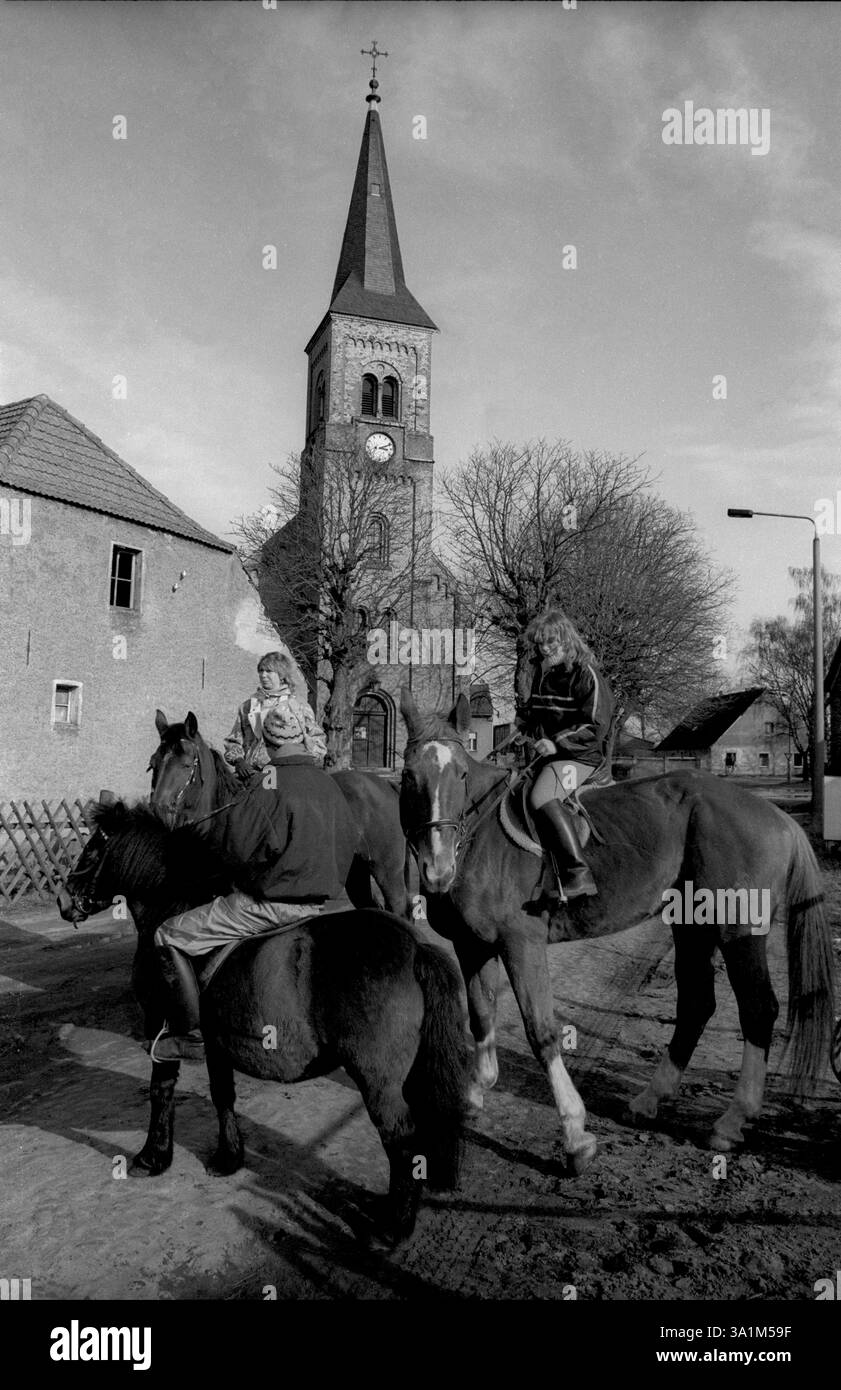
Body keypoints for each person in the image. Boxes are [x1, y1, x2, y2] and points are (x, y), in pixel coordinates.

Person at [149, 701, 355, 1061]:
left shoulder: (267, 785)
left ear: (267, 743)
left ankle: (190, 1035)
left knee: (167, 935)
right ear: (304, 739)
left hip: (268, 907)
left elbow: (237, 853)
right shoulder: (329, 784)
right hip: (322, 906)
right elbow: (348, 844)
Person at [516, 607, 614, 903]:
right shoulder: (545, 675)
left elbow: (595, 726)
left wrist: (556, 745)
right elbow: (538, 715)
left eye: (551, 643)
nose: (545, 649)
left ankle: (578, 872)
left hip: (582, 758)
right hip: (553, 757)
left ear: (567, 641)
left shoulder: (588, 675)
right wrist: (525, 727)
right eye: (541, 644)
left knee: (540, 797)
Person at [223, 651, 326, 777]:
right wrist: (238, 760)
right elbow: (233, 741)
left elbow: (317, 739)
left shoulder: (299, 706)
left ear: (281, 675)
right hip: (252, 773)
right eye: (261, 671)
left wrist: (306, 761)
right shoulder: (248, 706)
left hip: (288, 773)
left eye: (269, 671)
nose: (263, 675)